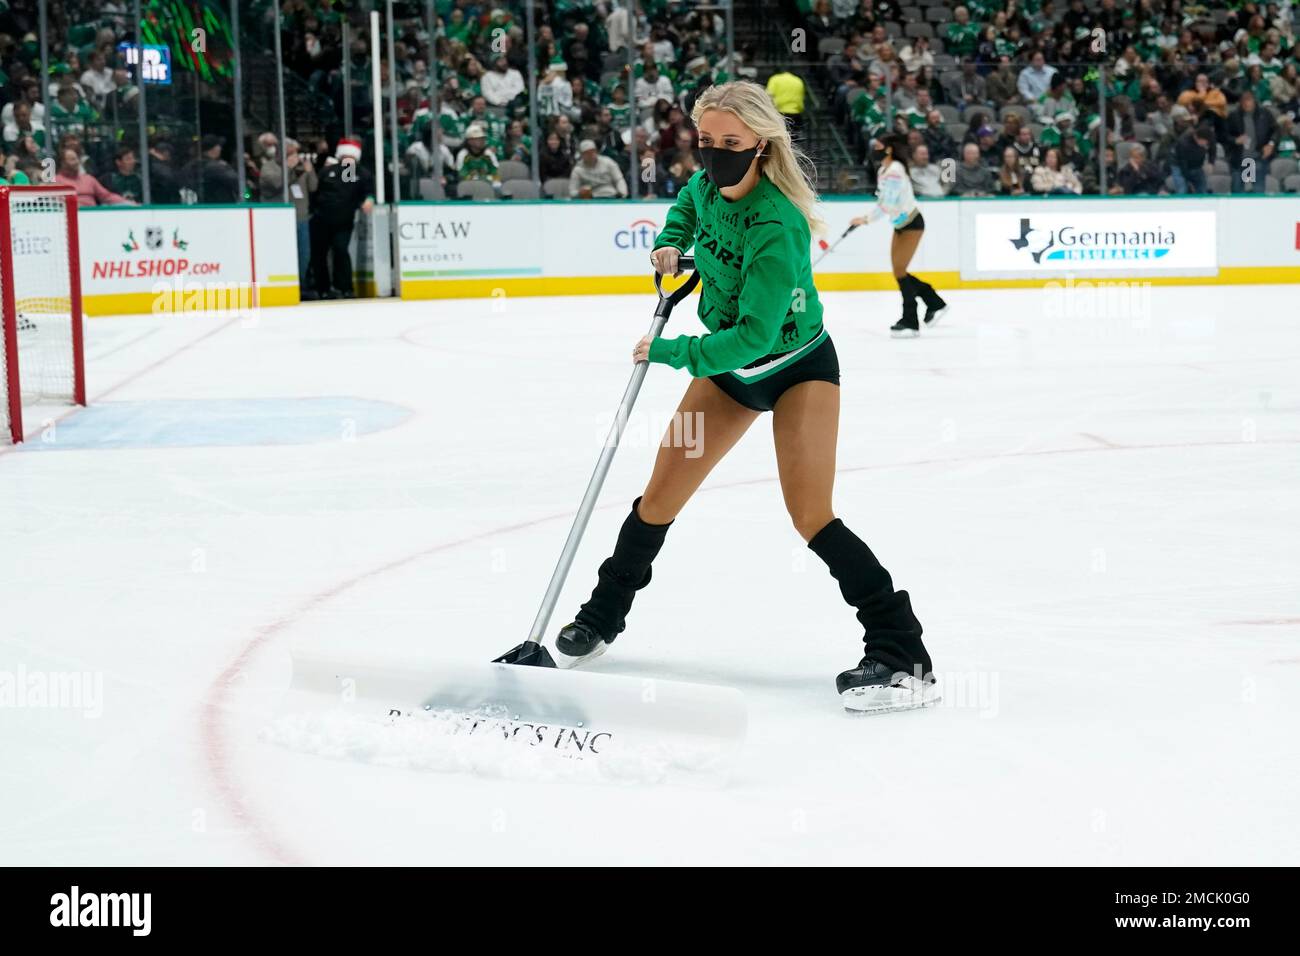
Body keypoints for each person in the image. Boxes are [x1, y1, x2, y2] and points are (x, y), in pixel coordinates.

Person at [555, 81, 939, 713]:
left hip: (794, 366)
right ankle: (601, 616)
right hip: (729, 369)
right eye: (705, 141)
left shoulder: (778, 222)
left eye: (729, 143)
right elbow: (687, 204)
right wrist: (673, 243)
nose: (714, 154)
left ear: (760, 143)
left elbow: (754, 335)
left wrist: (672, 351)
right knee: (658, 496)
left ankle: (904, 654)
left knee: (811, 514)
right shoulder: (706, 186)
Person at [850, 132, 948, 338]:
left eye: (878, 146)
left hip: (912, 223)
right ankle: (934, 302)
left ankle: (911, 320)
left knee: (900, 271)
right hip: (900, 224)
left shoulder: (895, 170)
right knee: (898, 271)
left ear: (889, 149)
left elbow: (888, 204)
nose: (874, 150)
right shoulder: (884, 169)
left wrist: (865, 219)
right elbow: (883, 201)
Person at [310, 137, 375, 299]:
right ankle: (322, 288)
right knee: (320, 254)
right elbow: (315, 192)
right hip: (322, 219)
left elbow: (366, 190)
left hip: (343, 220)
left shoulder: (361, 173)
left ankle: (344, 287)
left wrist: (369, 199)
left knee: (340, 250)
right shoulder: (328, 171)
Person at [1223, 90, 1276, 193]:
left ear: (1254, 100)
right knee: (1238, 190)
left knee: (1258, 190)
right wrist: (1235, 140)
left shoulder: (1265, 114)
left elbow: (1276, 130)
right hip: (1239, 159)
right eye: (1243, 101)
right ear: (1240, 102)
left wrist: (1271, 144)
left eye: (1249, 100)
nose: (1246, 103)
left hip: (1257, 158)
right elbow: (1224, 136)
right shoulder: (1233, 116)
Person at [284, 139, 318, 294]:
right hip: (285, 218)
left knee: (305, 254)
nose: (295, 157)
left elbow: (313, 187)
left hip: (302, 217)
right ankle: (291, 284)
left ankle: (302, 283)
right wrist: (288, 170)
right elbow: (279, 186)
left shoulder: (303, 170)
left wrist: (309, 170)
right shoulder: (279, 169)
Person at [54, 146, 132, 206]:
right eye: (72, 160)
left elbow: (107, 196)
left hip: (93, 217)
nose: (77, 162)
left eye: (77, 159)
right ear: (62, 163)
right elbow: (56, 202)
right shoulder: (56, 181)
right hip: (69, 218)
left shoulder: (89, 179)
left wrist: (128, 203)